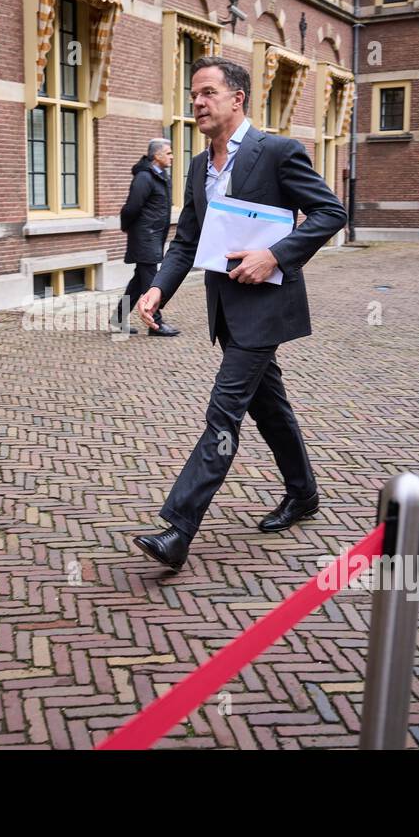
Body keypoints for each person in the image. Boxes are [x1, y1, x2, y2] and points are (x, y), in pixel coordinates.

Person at [131, 56, 347, 571]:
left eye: (207, 92)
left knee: (222, 413)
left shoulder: (276, 152)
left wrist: (275, 254)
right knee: (269, 407)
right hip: (225, 310)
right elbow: (187, 240)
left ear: (237, 99)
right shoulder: (198, 165)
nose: (198, 102)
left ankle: (178, 529)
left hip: (266, 308)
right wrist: (158, 289)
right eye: (193, 94)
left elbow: (330, 212)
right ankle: (304, 494)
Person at [113, 139, 179, 336]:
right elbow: (131, 207)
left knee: (137, 283)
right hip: (145, 238)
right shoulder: (144, 177)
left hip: (153, 237)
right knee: (151, 282)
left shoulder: (161, 176)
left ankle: (118, 318)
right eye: (168, 153)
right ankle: (155, 323)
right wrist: (127, 227)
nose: (172, 156)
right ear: (156, 156)